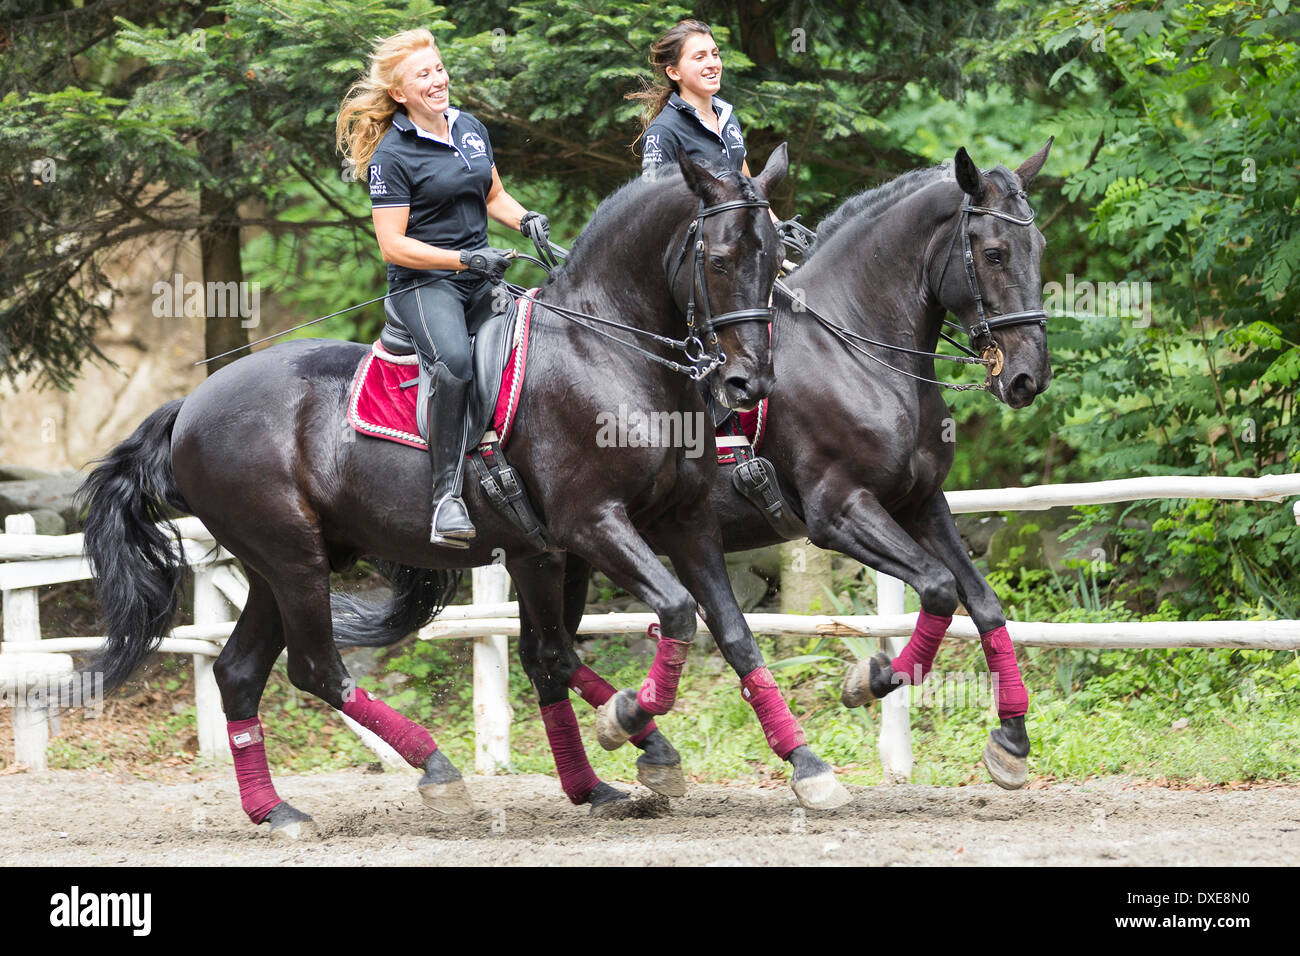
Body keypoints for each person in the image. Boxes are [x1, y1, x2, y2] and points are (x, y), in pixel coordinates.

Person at [336, 29, 550, 547]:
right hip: (424, 284)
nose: (438, 81)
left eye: (438, 69)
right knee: (453, 362)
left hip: (481, 276)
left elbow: (492, 192)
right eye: (422, 76)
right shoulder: (392, 155)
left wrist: (525, 221)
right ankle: (446, 498)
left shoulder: (469, 127)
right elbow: (392, 244)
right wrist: (463, 257)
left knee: (542, 337)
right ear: (399, 95)